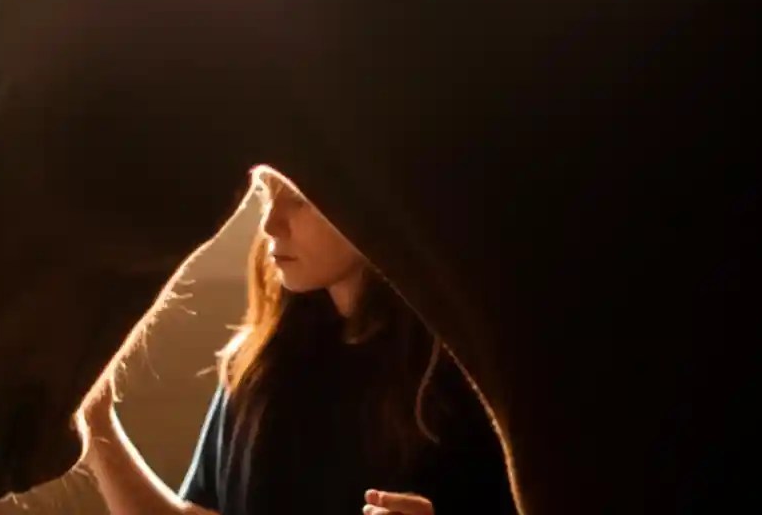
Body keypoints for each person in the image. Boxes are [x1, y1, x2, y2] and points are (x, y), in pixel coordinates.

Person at [81, 169, 516, 515]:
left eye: (300, 198)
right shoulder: (260, 364)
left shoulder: (463, 380)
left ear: (372, 206)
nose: (270, 223)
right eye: (268, 195)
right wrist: (97, 420)